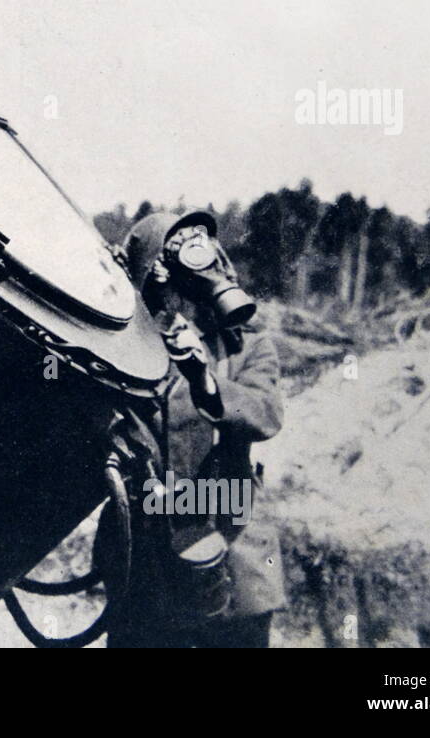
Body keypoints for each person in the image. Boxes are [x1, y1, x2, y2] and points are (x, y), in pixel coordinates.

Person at [111, 209, 285, 648]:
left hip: (233, 553)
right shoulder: (124, 349)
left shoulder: (246, 346)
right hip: (146, 561)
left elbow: (265, 414)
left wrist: (204, 379)